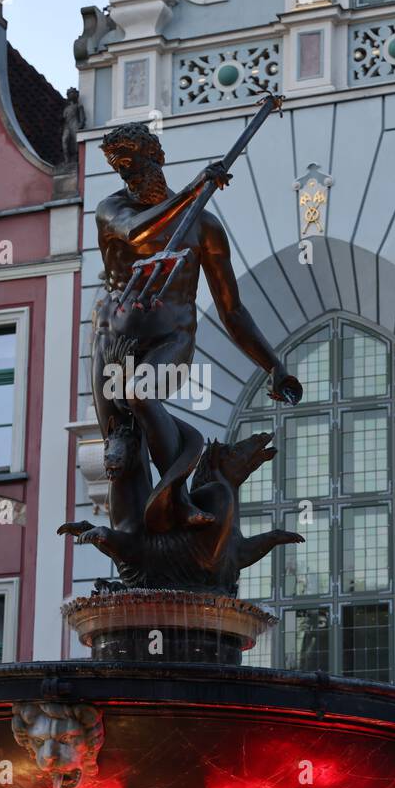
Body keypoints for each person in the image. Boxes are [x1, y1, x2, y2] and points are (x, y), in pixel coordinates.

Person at [93, 122, 301, 529]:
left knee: (139, 394)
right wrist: (193, 189)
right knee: (120, 447)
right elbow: (137, 233)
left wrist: (273, 365)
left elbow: (232, 311)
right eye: (120, 169)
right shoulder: (111, 209)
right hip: (112, 339)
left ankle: (176, 497)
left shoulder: (205, 228)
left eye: (134, 167)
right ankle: (130, 543)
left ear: (157, 158)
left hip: (172, 338)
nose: (127, 177)